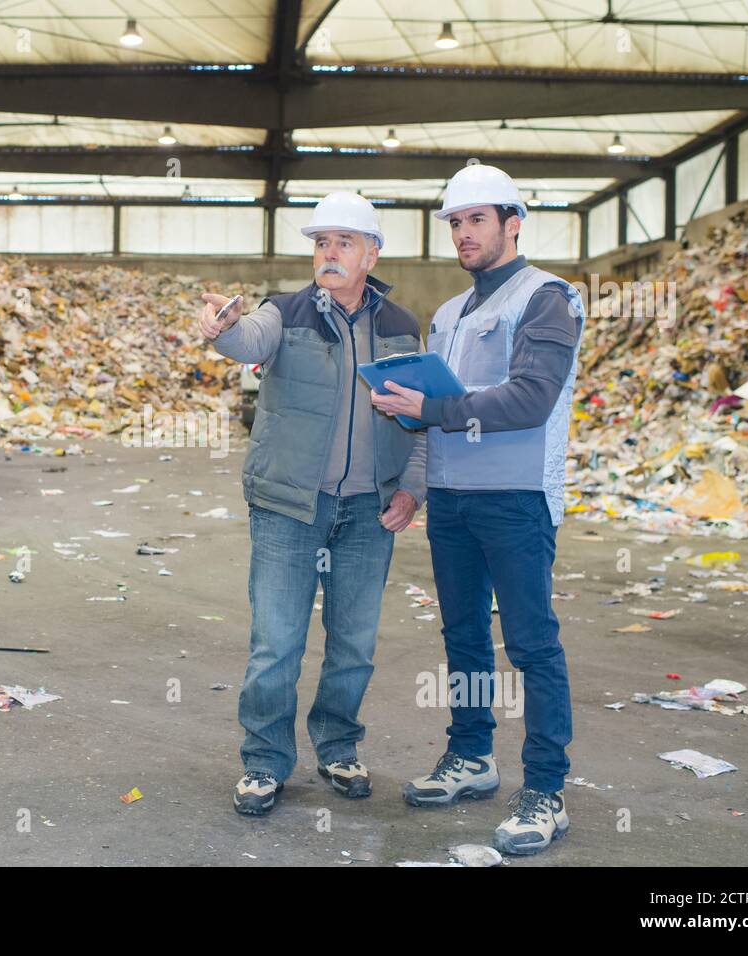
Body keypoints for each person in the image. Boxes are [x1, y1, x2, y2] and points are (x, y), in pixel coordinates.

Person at [371, 164, 584, 855]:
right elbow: (441, 415)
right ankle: (471, 755)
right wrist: (409, 431)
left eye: (476, 221)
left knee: (531, 644)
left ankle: (546, 790)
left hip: (516, 499)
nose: (463, 233)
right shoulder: (448, 313)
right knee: (463, 637)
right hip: (454, 501)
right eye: (456, 223)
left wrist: (431, 408)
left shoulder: (547, 298)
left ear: (512, 223)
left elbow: (531, 399)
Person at [199, 191, 426, 815]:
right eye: (322, 242)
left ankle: (338, 746)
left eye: (344, 242)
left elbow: (421, 419)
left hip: (369, 511)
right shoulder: (285, 311)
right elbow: (248, 340)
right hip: (289, 505)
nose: (329, 252)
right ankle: (265, 760)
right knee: (276, 642)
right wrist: (222, 328)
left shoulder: (401, 326)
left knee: (354, 643)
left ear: (371, 254)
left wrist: (412, 489)